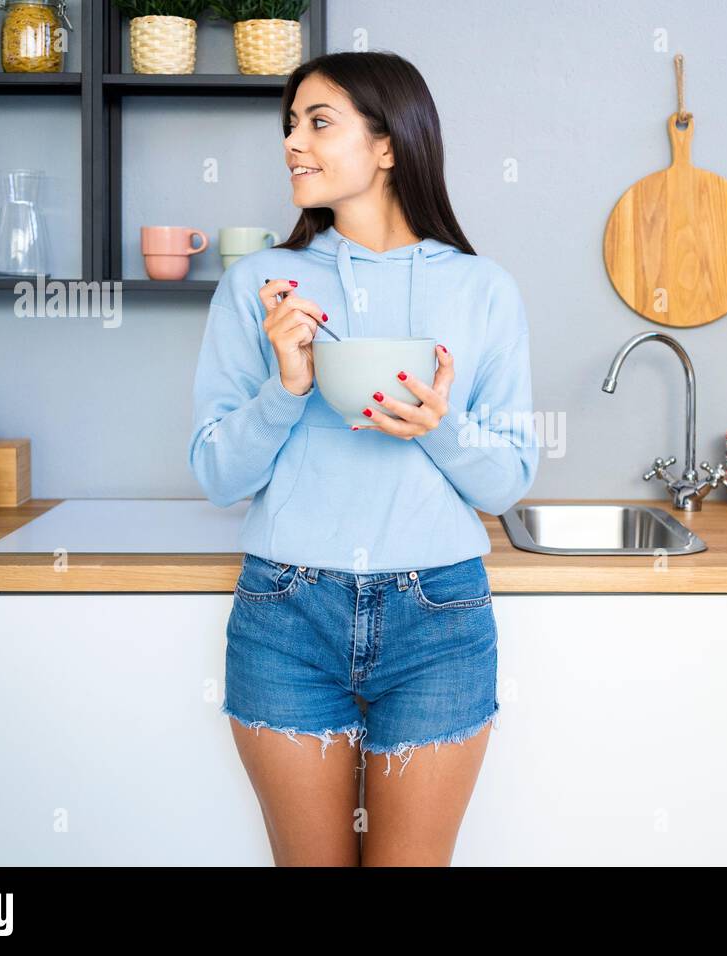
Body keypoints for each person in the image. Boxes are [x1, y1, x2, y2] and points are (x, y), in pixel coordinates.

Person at [187, 50, 538, 866]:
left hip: (440, 619)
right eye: (289, 124)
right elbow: (217, 476)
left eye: (318, 122)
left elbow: (510, 481)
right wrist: (286, 387)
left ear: (387, 145)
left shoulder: (485, 290)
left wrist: (439, 427)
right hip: (285, 614)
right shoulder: (264, 286)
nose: (292, 143)